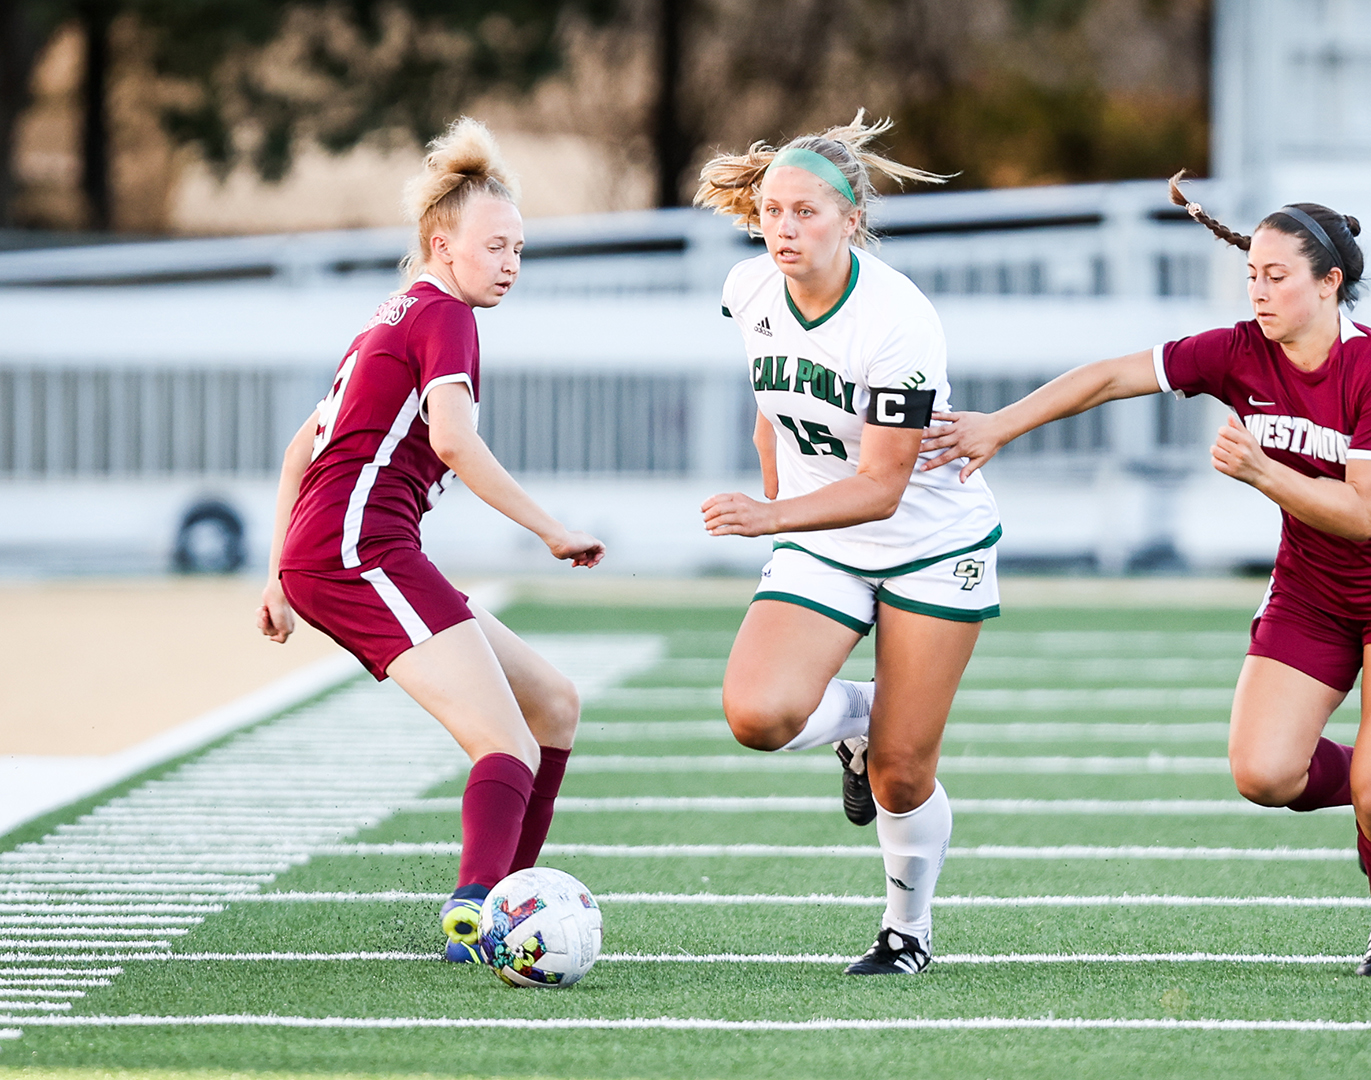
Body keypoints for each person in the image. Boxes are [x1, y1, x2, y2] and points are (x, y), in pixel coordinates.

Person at [922, 173, 1371, 976]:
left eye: (1277, 276)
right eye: (1252, 273)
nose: (1259, 290)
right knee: (1263, 773)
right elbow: (1112, 375)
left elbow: (1361, 513)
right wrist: (1000, 426)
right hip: (1315, 589)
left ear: (1330, 284)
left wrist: (1259, 472)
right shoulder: (1238, 351)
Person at [256, 117, 607, 963]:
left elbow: (304, 444)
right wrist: (551, 528)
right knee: (506, 742)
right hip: (359, 551)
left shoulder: (396, 311)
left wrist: (276, 575)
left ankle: (509, 902)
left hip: (348, 549)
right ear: (442, 245)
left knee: (554, 703)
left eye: (520, 248)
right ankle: (479, 912)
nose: (511, 263)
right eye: (496, 246)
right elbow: (452, 440)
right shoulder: (445, 315)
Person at [691, 112, 1001, 976]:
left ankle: (907, 930)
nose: (784, 229)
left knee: (903, 776)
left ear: (850, 221)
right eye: (773, 211)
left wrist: (770, 517)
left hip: (929, 540)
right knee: (757, 716)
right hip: (821, 531)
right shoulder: (747, 286)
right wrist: (780, 498)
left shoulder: (899, 319)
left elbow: (884, 486)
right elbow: (771, 402)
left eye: (806, 213)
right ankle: (860, 717)